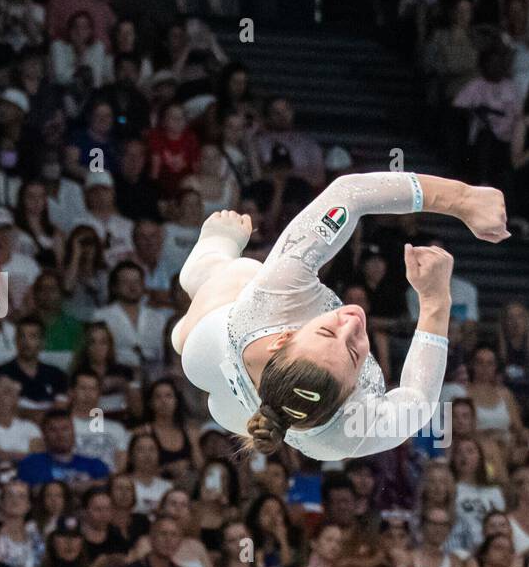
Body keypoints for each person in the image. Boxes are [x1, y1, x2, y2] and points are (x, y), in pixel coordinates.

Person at [171, 173, 508, 461]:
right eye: (354, 352)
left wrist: (462, 200)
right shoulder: (351, 427)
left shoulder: (273, 299)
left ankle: (207, 259)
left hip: (207, 349)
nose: (353, 321)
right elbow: (417, 403)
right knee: (186, 336)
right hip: (241, 413)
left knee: (235, 275)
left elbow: (349, 194)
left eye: (328, 334)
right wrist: (435, 300)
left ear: (284, 338)